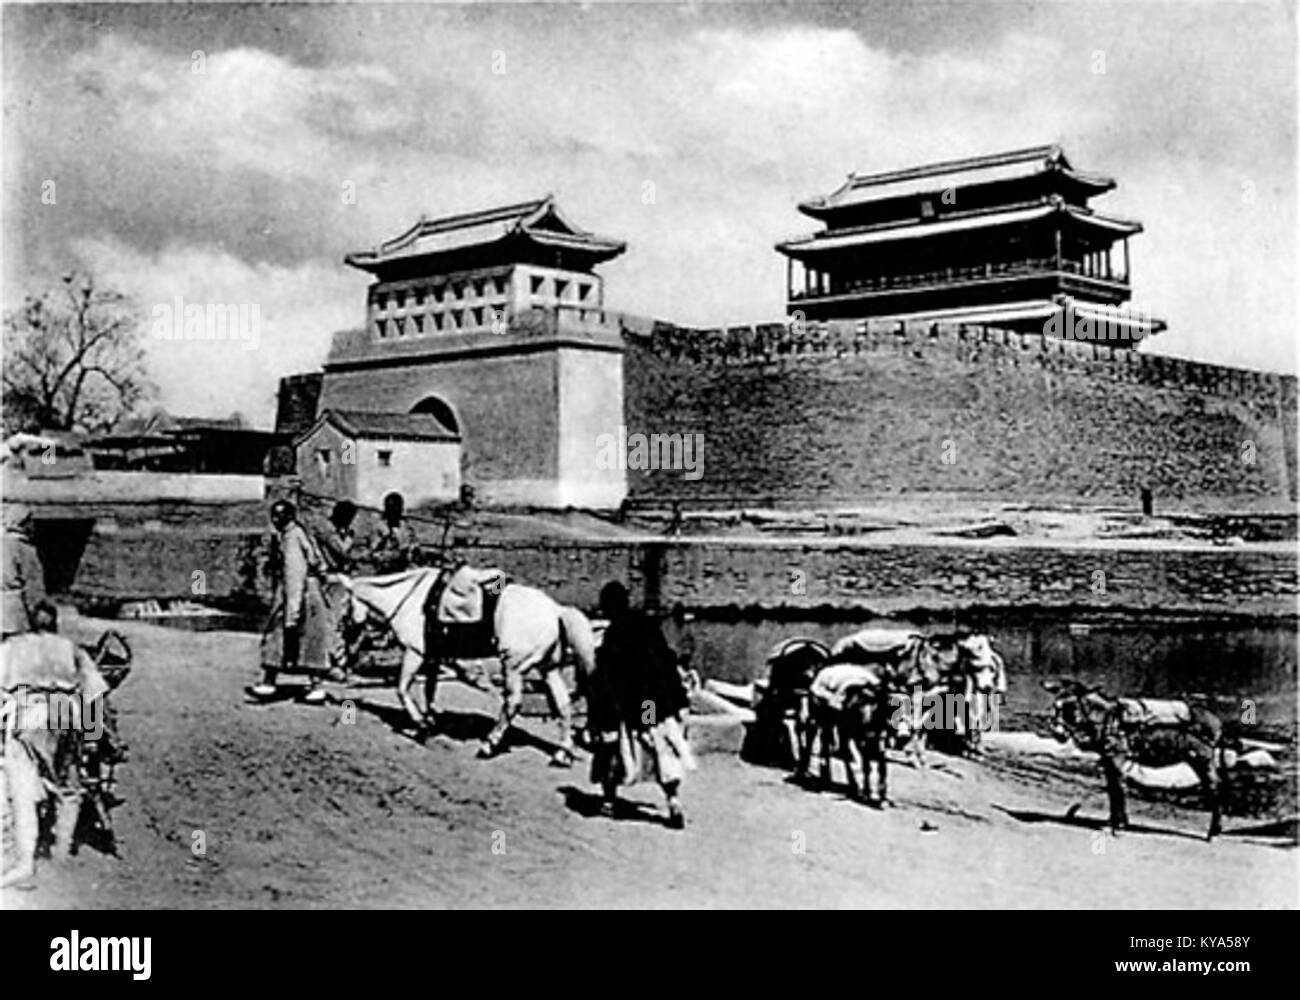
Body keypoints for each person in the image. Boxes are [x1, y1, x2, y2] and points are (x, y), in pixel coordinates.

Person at [0, 601, 110, 887]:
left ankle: (26, 863)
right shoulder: (69, 648)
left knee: (22, 791)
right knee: (69, 788)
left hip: (26, 713)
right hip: (64, 714)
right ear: (55, 625)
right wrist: (92, 736)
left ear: (31, 625)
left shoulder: (12, 647)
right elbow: (95, 692)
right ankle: (61, 854)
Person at [586, 581, 695, 829]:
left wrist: (601, 703)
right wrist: (677, 698)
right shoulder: (648, 625)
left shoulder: (614, 634)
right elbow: (666, 659)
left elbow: (607, 673)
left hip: (629, 702)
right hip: (652, 701)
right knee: (657, 743)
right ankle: (673, 800)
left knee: (611, 746)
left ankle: (609, 800)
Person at [251, 500, 331, 703]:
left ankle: (271, 682)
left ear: (288, 516)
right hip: (309, 590)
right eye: (273, 515)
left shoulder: (291, 538)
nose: (274, 519)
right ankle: (312, 683)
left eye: (278, 515)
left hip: (300, 592)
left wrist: (292, 613)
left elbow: (294, 573)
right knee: (311, 638)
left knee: (279, 634)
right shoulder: (294, 533)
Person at [2, 503, 46, 638]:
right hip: (15, 617)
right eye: (31, 522)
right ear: (24, 523)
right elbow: (34, 589)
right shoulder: (24, 549)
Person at [361, 492, 419, 575]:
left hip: (402, 569)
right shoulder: (379, 528)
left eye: (397, 508)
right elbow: (370, 554)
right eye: (391, 509)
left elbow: (413, 549)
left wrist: (412, 550)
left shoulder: (406, 529)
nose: (395, 512)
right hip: (383, 570)